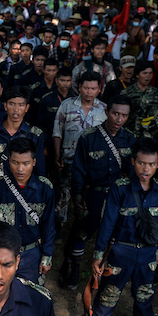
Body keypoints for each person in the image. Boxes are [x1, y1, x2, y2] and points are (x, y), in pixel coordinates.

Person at [82, 137, 158, 316]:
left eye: (151, 164)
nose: (145, 169)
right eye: (141, 163)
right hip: (122, 251)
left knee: (145, 291)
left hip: (148, 252)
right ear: (132, 161)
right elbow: (107, 223)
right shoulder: (119, 188)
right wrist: (98, 254)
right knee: (109, 291)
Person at [61, 95, 135, 290]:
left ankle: (105, 272)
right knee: (82, 234)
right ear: (106, 112)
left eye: (124, 115)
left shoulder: (130, 139)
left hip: (117, 198)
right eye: (115, 113)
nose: (119, 119)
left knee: (114, 236)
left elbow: (132, 172)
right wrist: (77, 197)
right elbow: (78, 171)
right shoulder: (89, 138)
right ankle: (74, 269)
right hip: (93, 195)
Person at [0, 138, 55, 284]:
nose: (20, 169)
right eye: (15, 162)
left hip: (31, 254)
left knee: (29, 297)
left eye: (26, 163)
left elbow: (49, 225)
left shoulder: (45, 189)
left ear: (34, 162)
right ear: (9, 161)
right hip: (1, 253)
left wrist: (47, 256)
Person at [52, 71, 107, 226]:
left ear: (99, 89)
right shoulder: (67, 105)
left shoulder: (104, 110)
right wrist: (57, 157)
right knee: (63, 196)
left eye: (93, 88)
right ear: (79, 87)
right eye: (86, 88)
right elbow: (57, 132)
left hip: (92, 165)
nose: (89, 92)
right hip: (68, 161)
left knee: (87, 198)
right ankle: (59, 227)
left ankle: (82, 228)